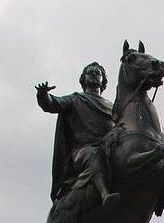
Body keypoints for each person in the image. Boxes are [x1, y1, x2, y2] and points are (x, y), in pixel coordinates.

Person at [35, 62, 119, 215]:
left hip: (108, 149)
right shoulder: (75, 99)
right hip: (84, 151)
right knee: (94, 155)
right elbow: (53, 104)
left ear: (103, 80)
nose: (94, 74)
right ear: (83, 79)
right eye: (90, 72)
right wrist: (43, 95)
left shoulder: (113, 106)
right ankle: (105, 194)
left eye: (98, 73)